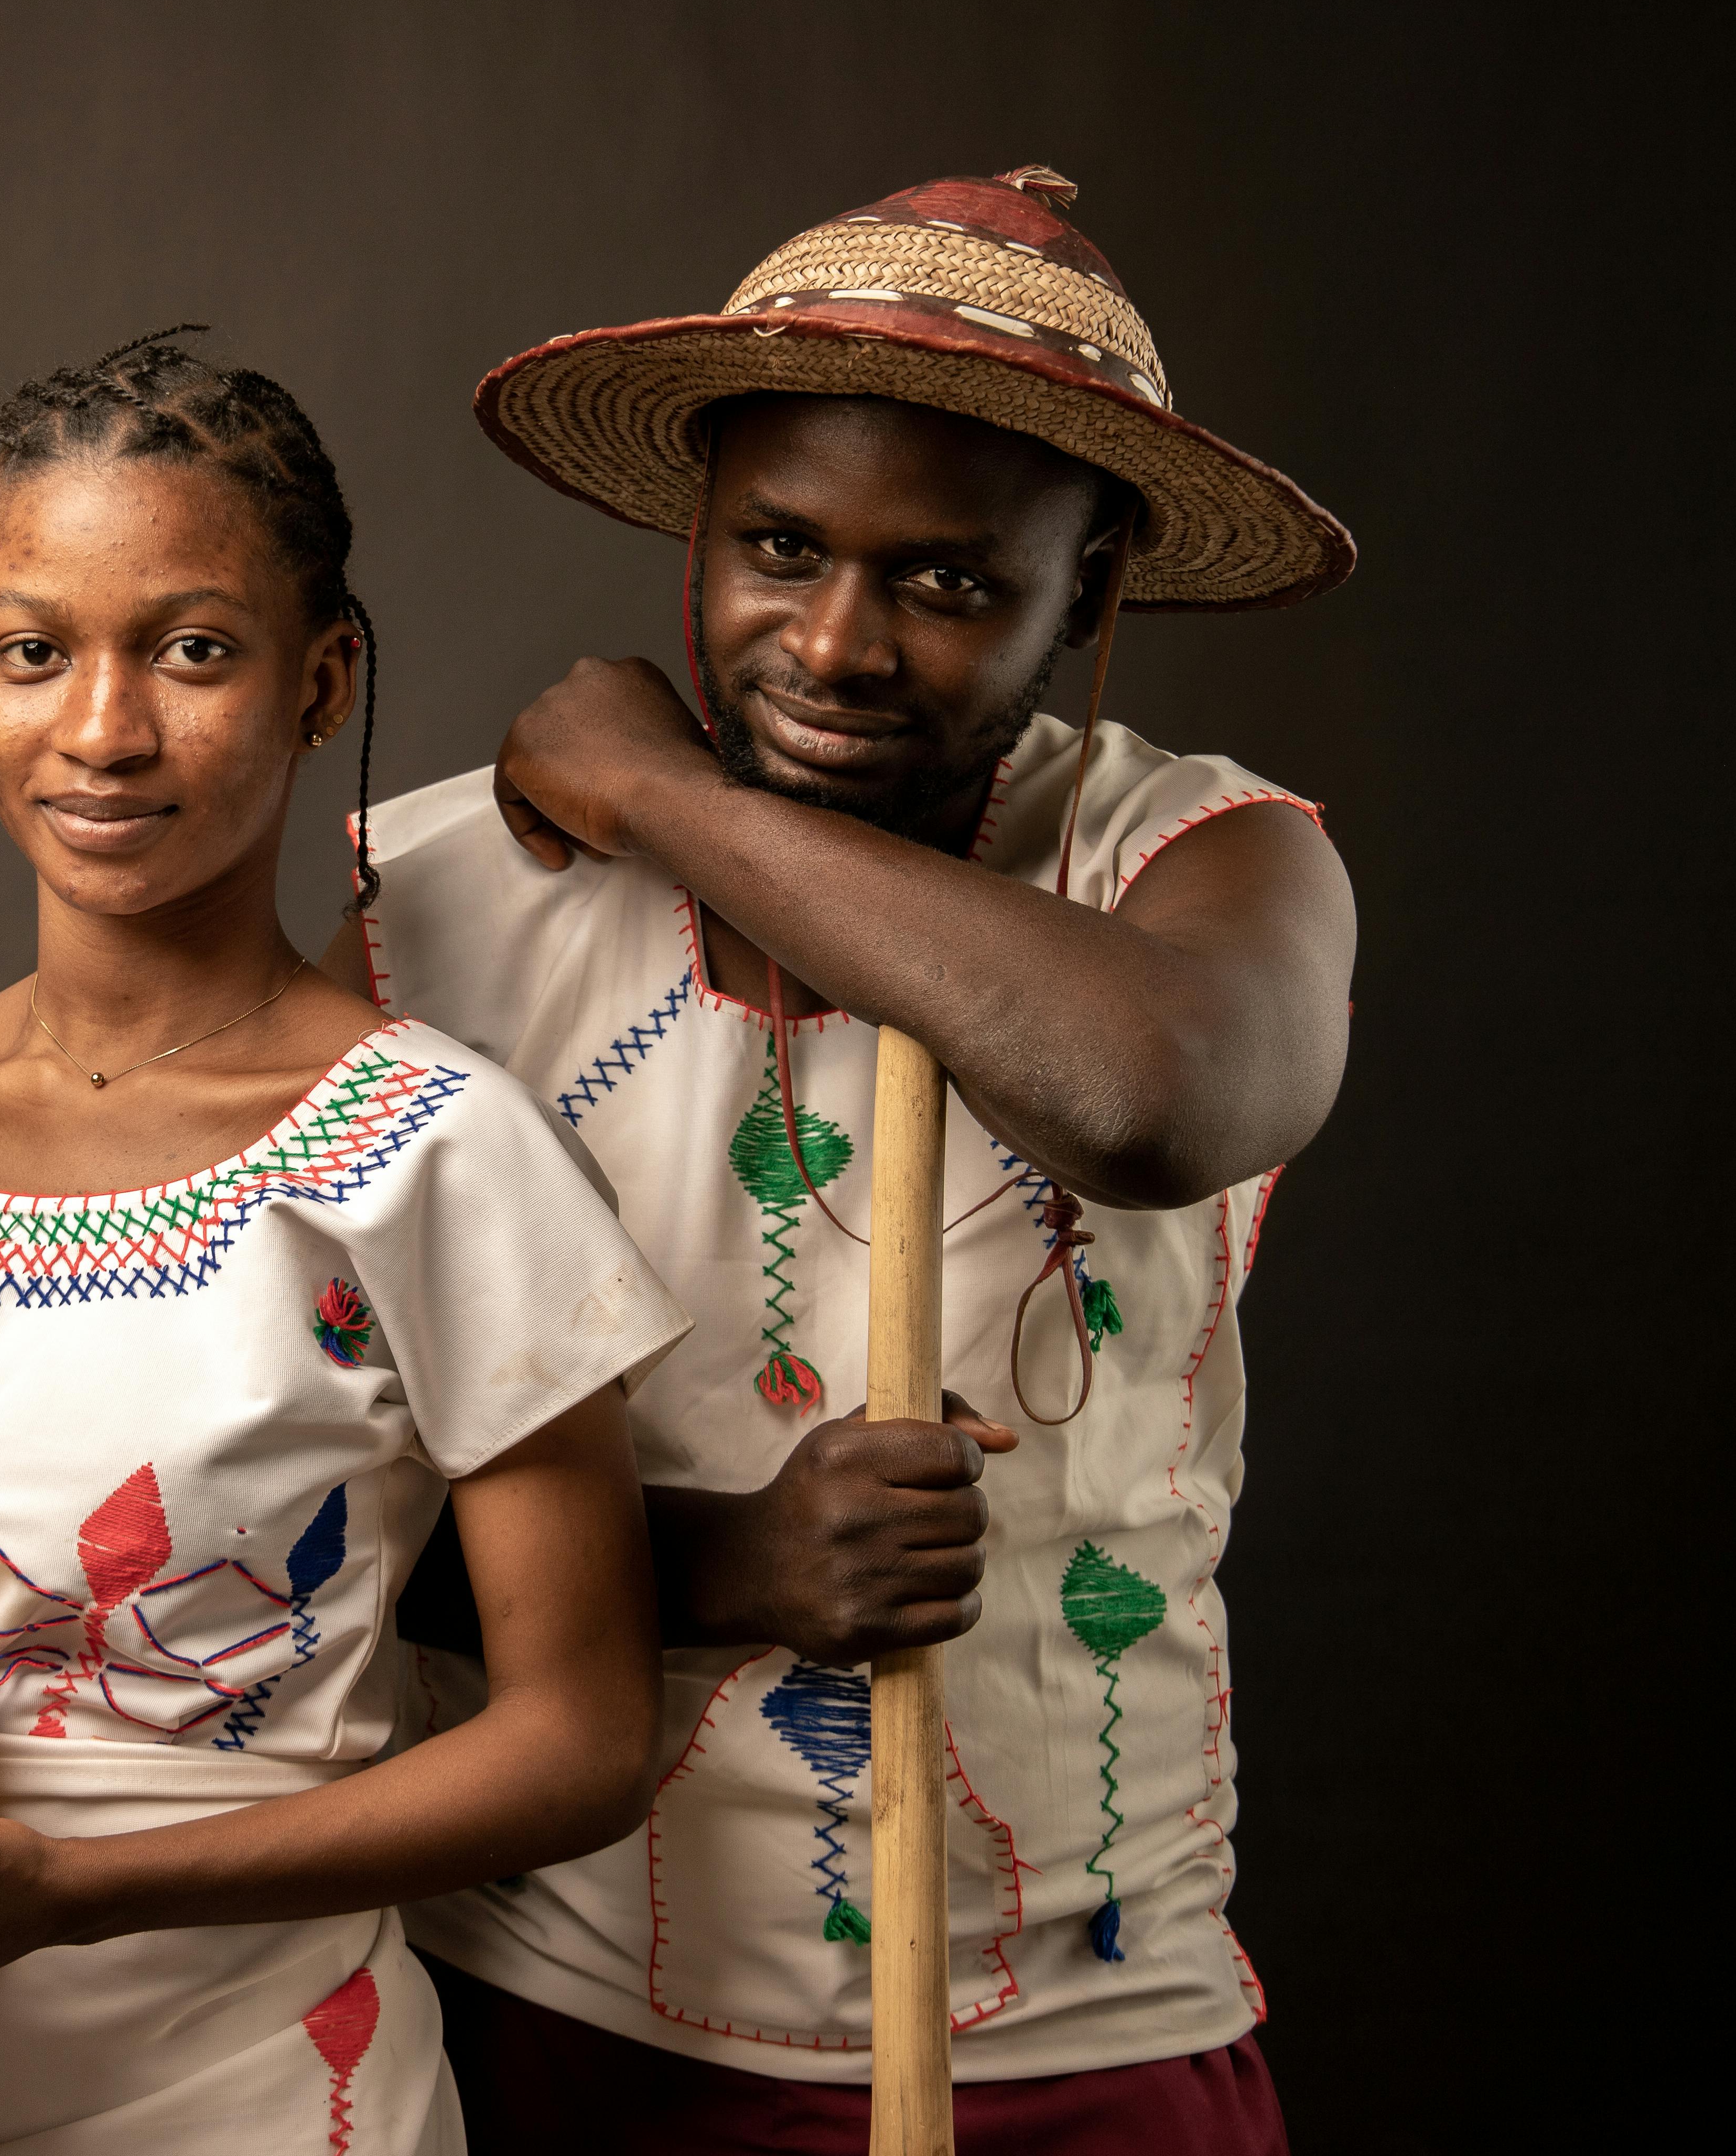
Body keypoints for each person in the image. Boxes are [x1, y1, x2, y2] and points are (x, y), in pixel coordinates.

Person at [327, 169, 1354, 2153]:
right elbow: (302, 1508)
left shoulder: (1205, 866)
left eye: (952, 584)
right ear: (693, 523)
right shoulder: (443, 907)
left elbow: (1159, 1104)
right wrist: (729, 1563)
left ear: (1094, 591)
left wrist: (661, 792)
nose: (835, 642)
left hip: (1074, 2030)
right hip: (544, 2002)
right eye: (778, 548)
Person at [0, 335, 682, 2153]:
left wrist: (72, 1892)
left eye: (193, 652)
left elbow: (579, 1741)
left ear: (321, 679)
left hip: (254, 2085)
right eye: (35, 650)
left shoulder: (432, 1153)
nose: (102, 731)